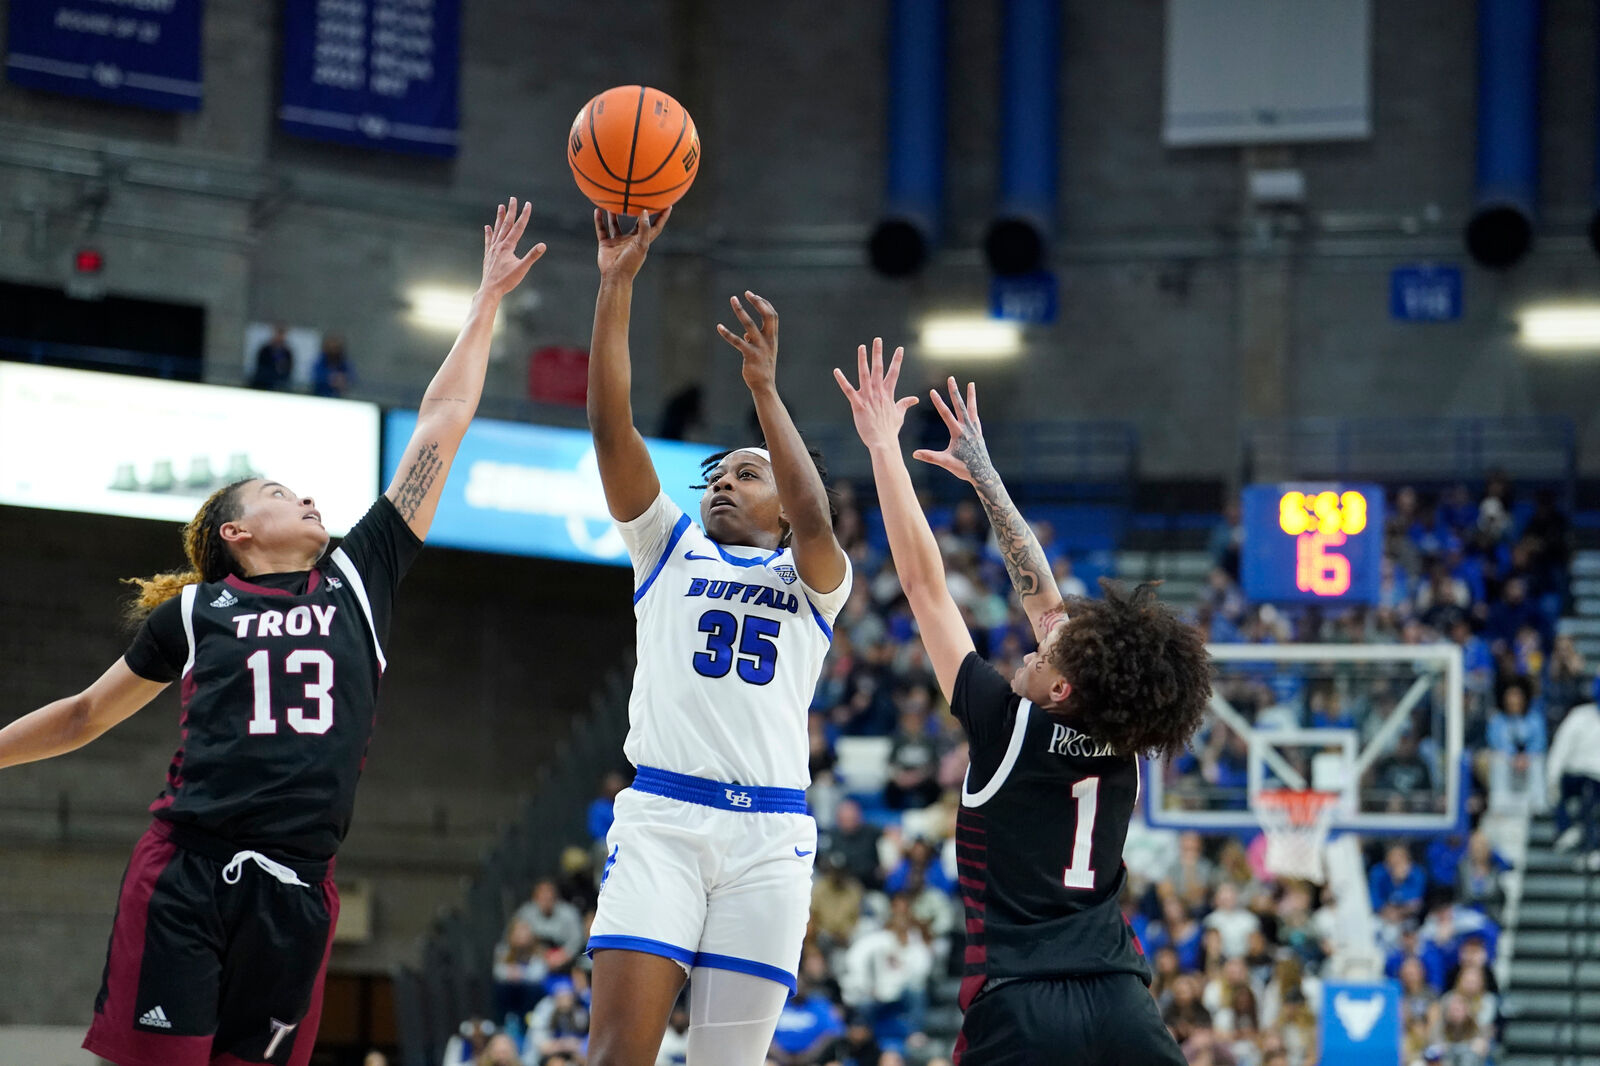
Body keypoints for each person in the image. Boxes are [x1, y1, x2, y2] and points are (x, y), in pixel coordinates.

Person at [0, 199, 545, 1066]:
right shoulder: (194, 612)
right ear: (236, 534)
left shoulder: (359, 575)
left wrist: (484, 305)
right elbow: (81, 716)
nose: (306, 496)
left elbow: (441, 423)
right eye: (280, 492)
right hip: (188, 872)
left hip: (298, 889)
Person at [833, 348, 1211, 1065]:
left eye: (1044, 657)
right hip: (1121, 999)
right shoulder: (1122, 732)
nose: (1033, 650)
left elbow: (923, 585)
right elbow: (1041, 595)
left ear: (1061, 689)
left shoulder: (1006, 726)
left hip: (1020, 1001)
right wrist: (985, 474)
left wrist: (884, 446)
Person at [580, 207, 852, 1066]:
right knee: (617, 1056)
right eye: (717, 474)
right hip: (663, 818)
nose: (724, 484)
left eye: (748, 472)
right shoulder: (667, 548)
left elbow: (816, 514)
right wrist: (616, 285)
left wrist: (766, 391)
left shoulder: (815, 581)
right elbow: (611, 428)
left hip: (771, 837)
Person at [1546, 694, 1600, 858]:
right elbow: (1560, 747)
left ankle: (1592, 848)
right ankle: (1567, 829)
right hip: (1574, 776)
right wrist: (1552, 777)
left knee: (1591, 797)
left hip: (1597, 780)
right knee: (1558, 788)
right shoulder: (1580, 716)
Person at [251, 323, 294, 391]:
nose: (280, 336)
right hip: (263, 384)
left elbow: (288, 369)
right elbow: (260, 367)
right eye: (278, 333)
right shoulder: (265, 350)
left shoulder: (287, 353)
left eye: (282, 334)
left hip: (280, 384)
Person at [311, 333, 354, 398]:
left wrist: (344, 380)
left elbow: (352, 378)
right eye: (331, 347)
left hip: (340, 398)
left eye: (336, 348)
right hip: (320, 396)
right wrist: (330, 379)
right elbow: (315, 377)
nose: (333, 350)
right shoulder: (320, 362)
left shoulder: (345, 363)